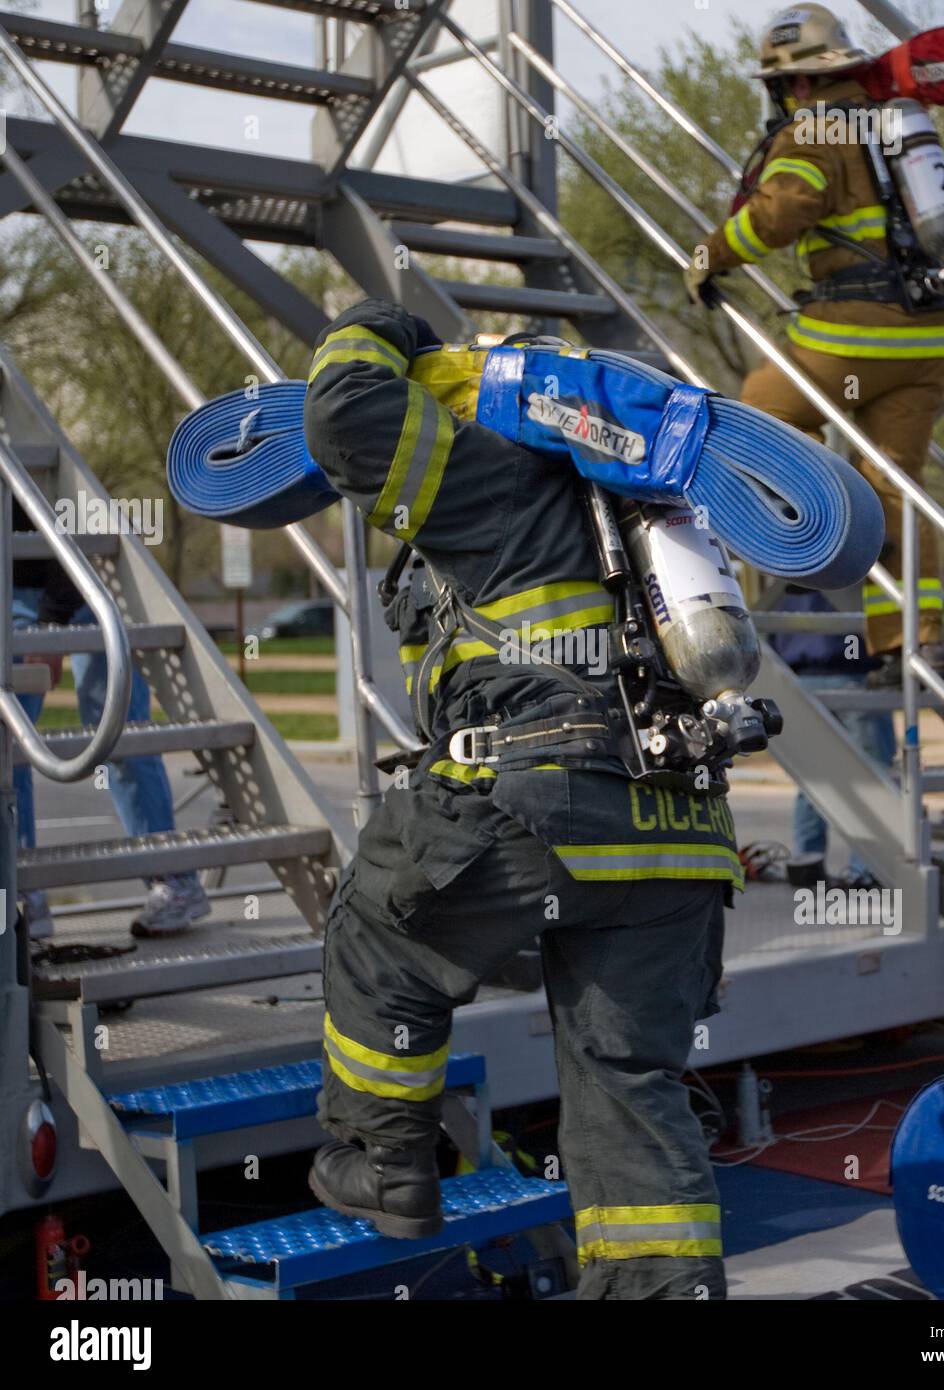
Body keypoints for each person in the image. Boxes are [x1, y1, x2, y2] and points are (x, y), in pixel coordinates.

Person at [303, 298, 744, 1300]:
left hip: (536, 797)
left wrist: (375, 327)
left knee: (377, 935)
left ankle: (385, 1164)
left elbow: (345, 419)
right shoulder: (654, 518)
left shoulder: (485, 474)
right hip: (676, 835)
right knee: (628, 1083)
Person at [685, 3, 944, 689]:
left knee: (751, 415)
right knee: (895, 481)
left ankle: (801, 525)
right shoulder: (892, 126)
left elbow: (783, 212)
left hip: (854, 333)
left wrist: (711, 255)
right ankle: (914, 646)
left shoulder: (813, 129)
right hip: (928, 337)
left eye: (779, 85)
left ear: (798, 83)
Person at [12, 509, 211, 939]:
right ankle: (24, 894)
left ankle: (174, 881)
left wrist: (50, 621)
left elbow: (69, 505)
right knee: (11, 747)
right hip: (18, 589)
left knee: (120, 735)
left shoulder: (29, 447)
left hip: (78, 580)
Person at [770, 586, 895, 886]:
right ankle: (865, 870)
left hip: (799, 674)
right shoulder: (847, 548)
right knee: (870, 776)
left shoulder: (784, 549)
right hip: (852, 671)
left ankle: (807, 862)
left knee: (814, 779)